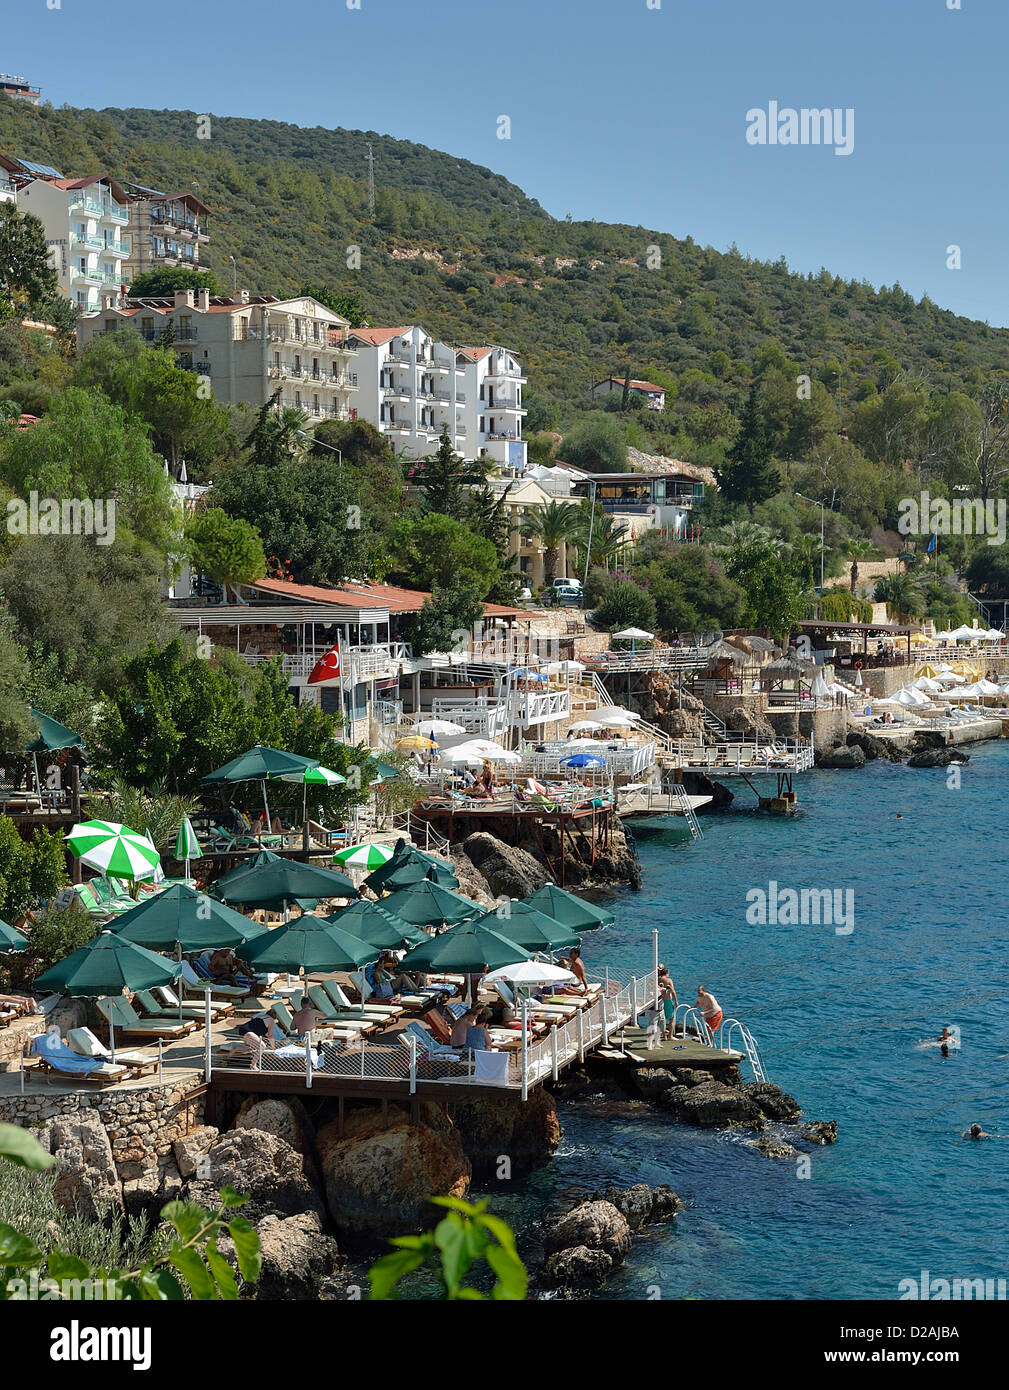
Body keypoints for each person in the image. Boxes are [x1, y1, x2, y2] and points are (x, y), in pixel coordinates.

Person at [658, 965, 678, 1040]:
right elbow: (673, 991)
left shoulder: (658, 980)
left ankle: (662, 1034)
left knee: (661, 1019)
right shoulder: (669, 980)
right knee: (672, 1019)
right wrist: (676, 1001)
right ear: (667, 973)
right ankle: (670, 1036)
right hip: (668, 1001)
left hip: (660, 1001)